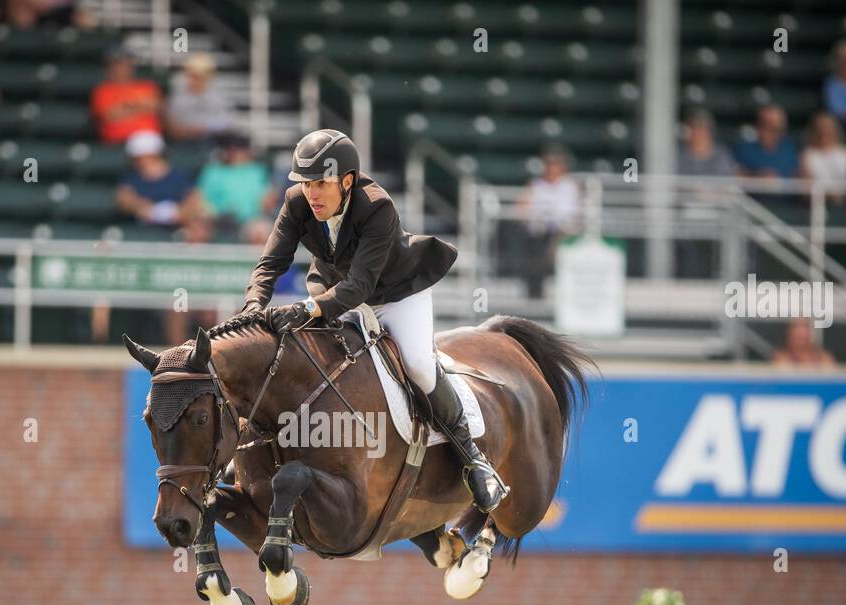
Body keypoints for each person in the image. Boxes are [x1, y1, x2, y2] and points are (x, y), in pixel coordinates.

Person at [239, 129, 507, 513]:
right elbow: (270, 263)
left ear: (347, 181)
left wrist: (306, 310)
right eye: (306, 183)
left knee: (417, 364)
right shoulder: (298, 202)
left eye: (321, 183)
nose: (311, 194)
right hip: (333, 292)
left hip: (395, 296)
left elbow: (359, 286)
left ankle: (473, 458)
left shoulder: (377, 206)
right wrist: (253, 308)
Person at [515, 148, 580, 298]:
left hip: (562, 232)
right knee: (535, 247)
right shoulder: (537, 185)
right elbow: (522, 207)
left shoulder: (569, 187)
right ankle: (534, 291)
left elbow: (572, 214)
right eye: (549, 165)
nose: (552, 169)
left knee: (547, 248)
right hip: (538, 231)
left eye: (555, 165)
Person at [197, 133, 276, 243]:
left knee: (261, 231)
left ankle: (259, 260)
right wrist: (214, 213)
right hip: (217, 219)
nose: (234, 152)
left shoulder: (258, 171)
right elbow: (201, 199)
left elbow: (268, 199)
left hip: (250, 220)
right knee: (198, 229)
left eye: (239, 148)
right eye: (230, 148)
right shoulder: (213, 171)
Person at [115, 131, 202, 228]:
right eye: (137, 158)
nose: (142, 161)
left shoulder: (179, 177)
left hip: (177, 230)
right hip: (142, 230)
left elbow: (193, 199)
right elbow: (124, 199)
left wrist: (178, 212)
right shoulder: (130, 178)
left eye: (147, 156)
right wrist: (142, 207)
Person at [91, 47, 161, 145]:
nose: (122, 67)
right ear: (109, 67)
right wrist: (141, 106)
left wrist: (125, 107)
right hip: (117, 142)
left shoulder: (147, 86)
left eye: (126, 63)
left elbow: (156, 106)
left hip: (149, 141)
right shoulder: (102, 91)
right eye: (118, 63)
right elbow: (110, 116)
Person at [164, 53, 236, 143]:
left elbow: (230, 125)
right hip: (186, 144)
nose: (198, 80)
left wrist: (207, 128)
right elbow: (173, 130)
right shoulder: (178, 97)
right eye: (194, 75)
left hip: (216, 141)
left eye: (202, 75)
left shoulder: (219, 96)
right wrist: (195, 130)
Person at [734, 104, 800, 180]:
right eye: (764, 125)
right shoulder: (744, 147)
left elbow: (796, 175)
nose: (768, 131)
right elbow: (736, 173)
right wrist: (757, 176)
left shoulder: (788, 149)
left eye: (775, 127)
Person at [677, 110, 736, 177]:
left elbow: (727, 179)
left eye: (702, 128)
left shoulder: (721, 153)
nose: (698, 134)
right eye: (692, 128)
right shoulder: (680, 154)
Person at [772, 318, 836, 368]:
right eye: (795, 327)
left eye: (805, 326)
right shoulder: (781, 359)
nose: (800, 332)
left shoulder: (824, 360)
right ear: (789, 333)